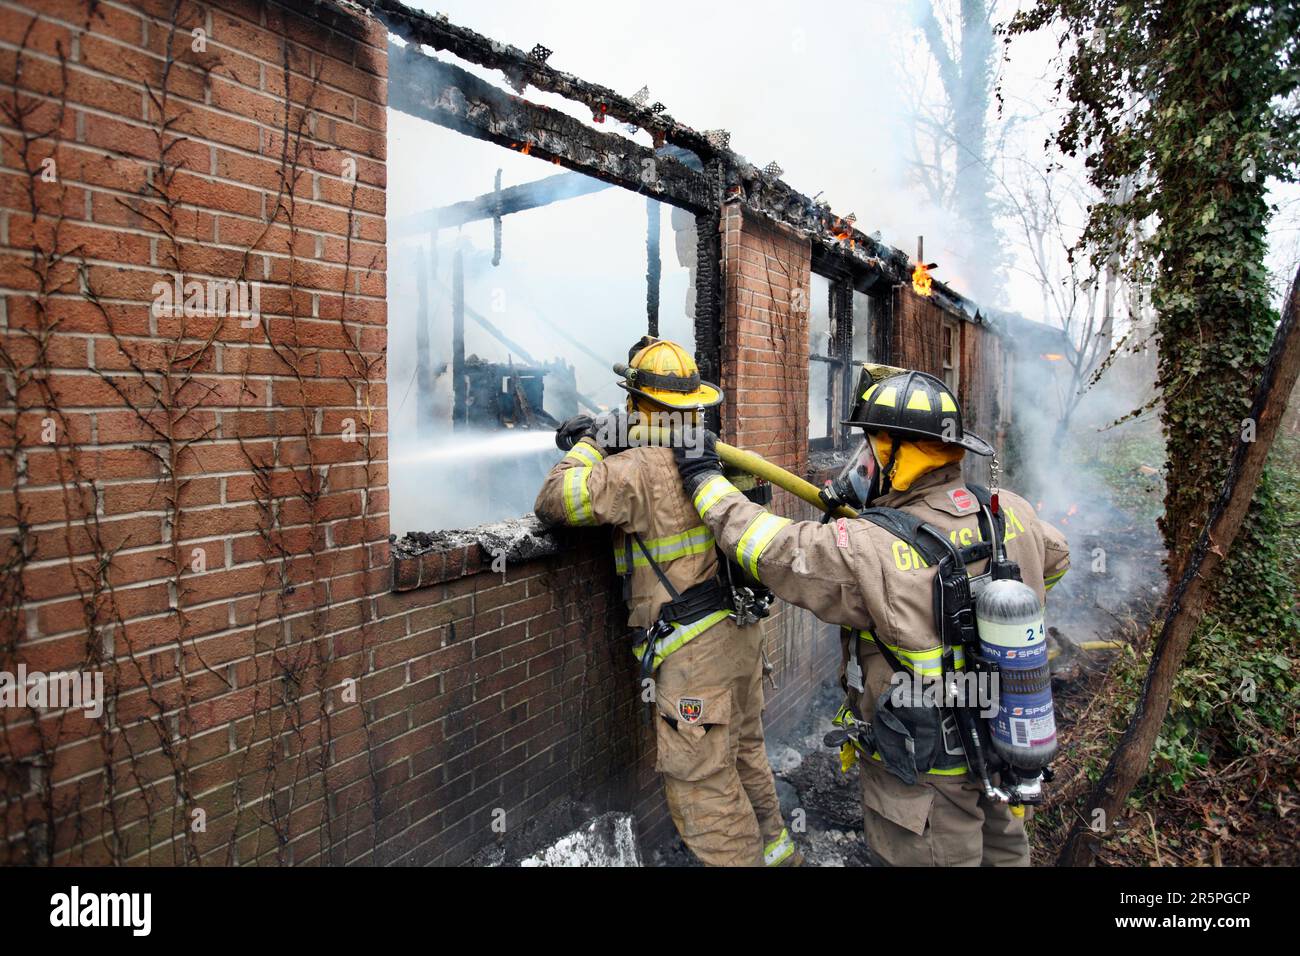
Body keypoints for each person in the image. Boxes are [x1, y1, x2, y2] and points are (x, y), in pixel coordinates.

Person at [674, 368, 1070, 866]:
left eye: (871, 448)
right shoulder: (1009, 510)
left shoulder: (872, 545)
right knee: (1006, 857)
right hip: (1005, 742)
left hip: (924, 776)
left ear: (895, 453)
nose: (862, 464)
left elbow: (770, 550)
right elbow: (1056, 559)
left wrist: (704, 478)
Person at [534, 336, 800, 867]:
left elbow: (554, 500)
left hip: (694, 655)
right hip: (742, 635)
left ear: (635, 402)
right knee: (745, 750)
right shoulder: (710, 453)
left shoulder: (637, 470)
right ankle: (779, 851)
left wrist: (589, 441)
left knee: (702, 784)